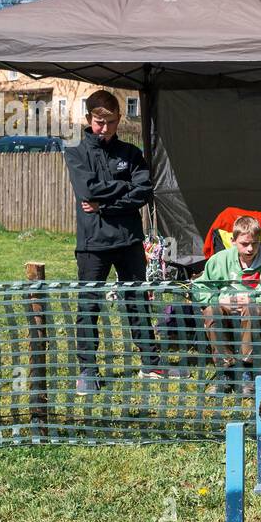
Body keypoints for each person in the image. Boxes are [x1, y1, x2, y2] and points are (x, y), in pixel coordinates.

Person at [63, 90, 162, 396]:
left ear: (119, 119)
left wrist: (106, 205)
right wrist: (123, 189)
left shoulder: (131, 154)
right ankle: (88, 371)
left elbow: (144, 191)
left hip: (130, 239)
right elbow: (87, 189)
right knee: (88, 306)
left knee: (136, 301)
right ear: (89, 119)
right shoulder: (76, 152)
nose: (104, 128)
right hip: (93, 243)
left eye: (110, 122)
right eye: (98, 122)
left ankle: (150, 362)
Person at [191, 215, 261, 396]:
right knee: (212, 311)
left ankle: (246, 370)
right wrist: (218, 300)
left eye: (255, 243)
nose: (250, 249)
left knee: (251, 309)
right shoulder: (220, 260)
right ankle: (225, 372)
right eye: (244, 244)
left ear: (260, 240)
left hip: (258, 313)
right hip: (225, 308)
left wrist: (256, 298)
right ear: (233, 241)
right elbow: (199, 287)